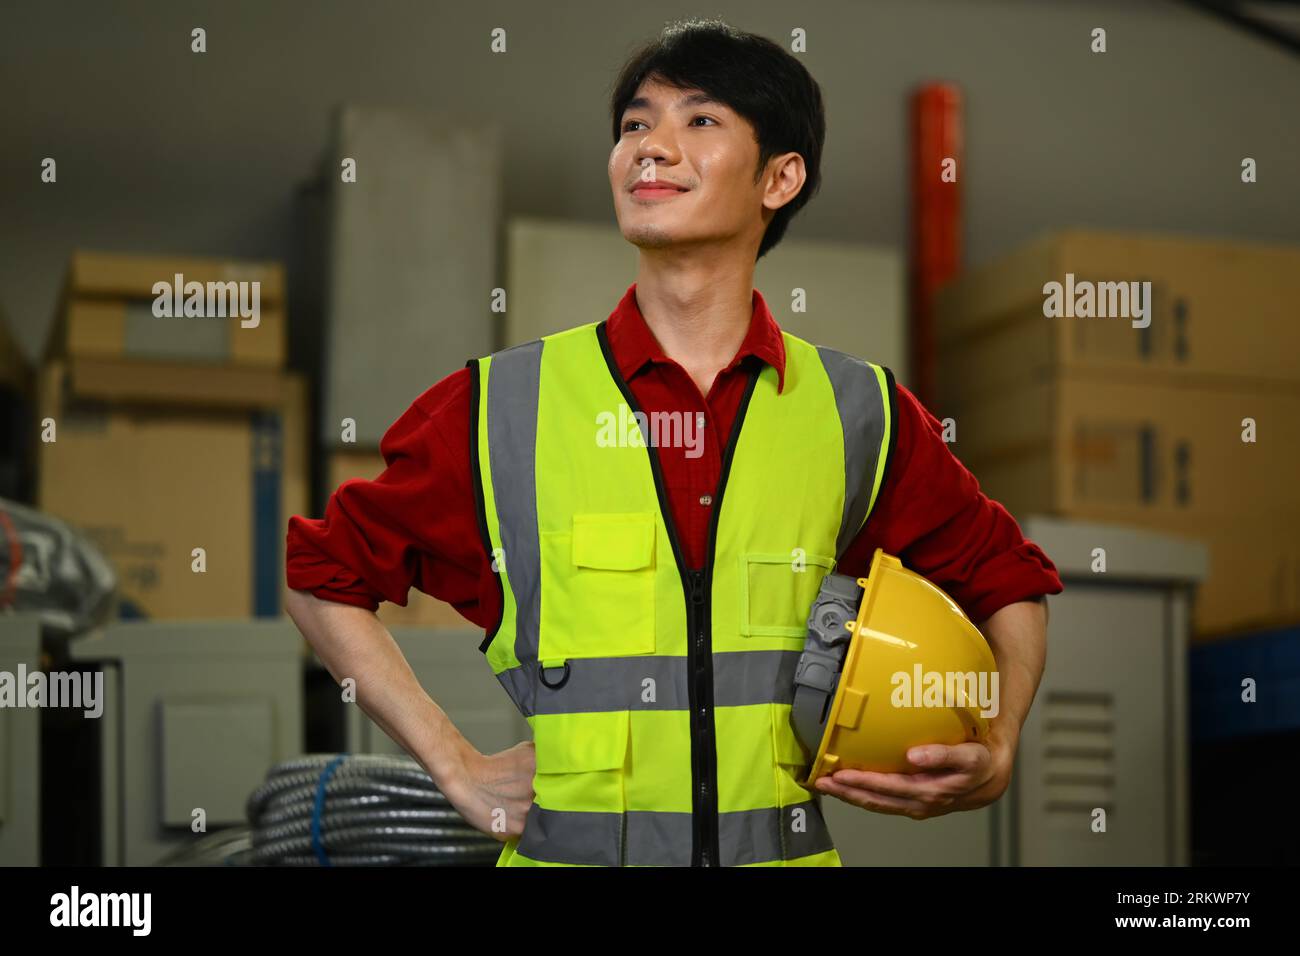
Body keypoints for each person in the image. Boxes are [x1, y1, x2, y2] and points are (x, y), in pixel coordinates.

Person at [285, 18, 1062, 867]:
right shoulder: (502, 408)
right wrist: (456, 766)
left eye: (699, 120)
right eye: (633, 124)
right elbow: (321, 578)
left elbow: (1006, 578)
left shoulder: (856, 413)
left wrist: (1000, 741)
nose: (650, 147)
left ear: (781, 177)